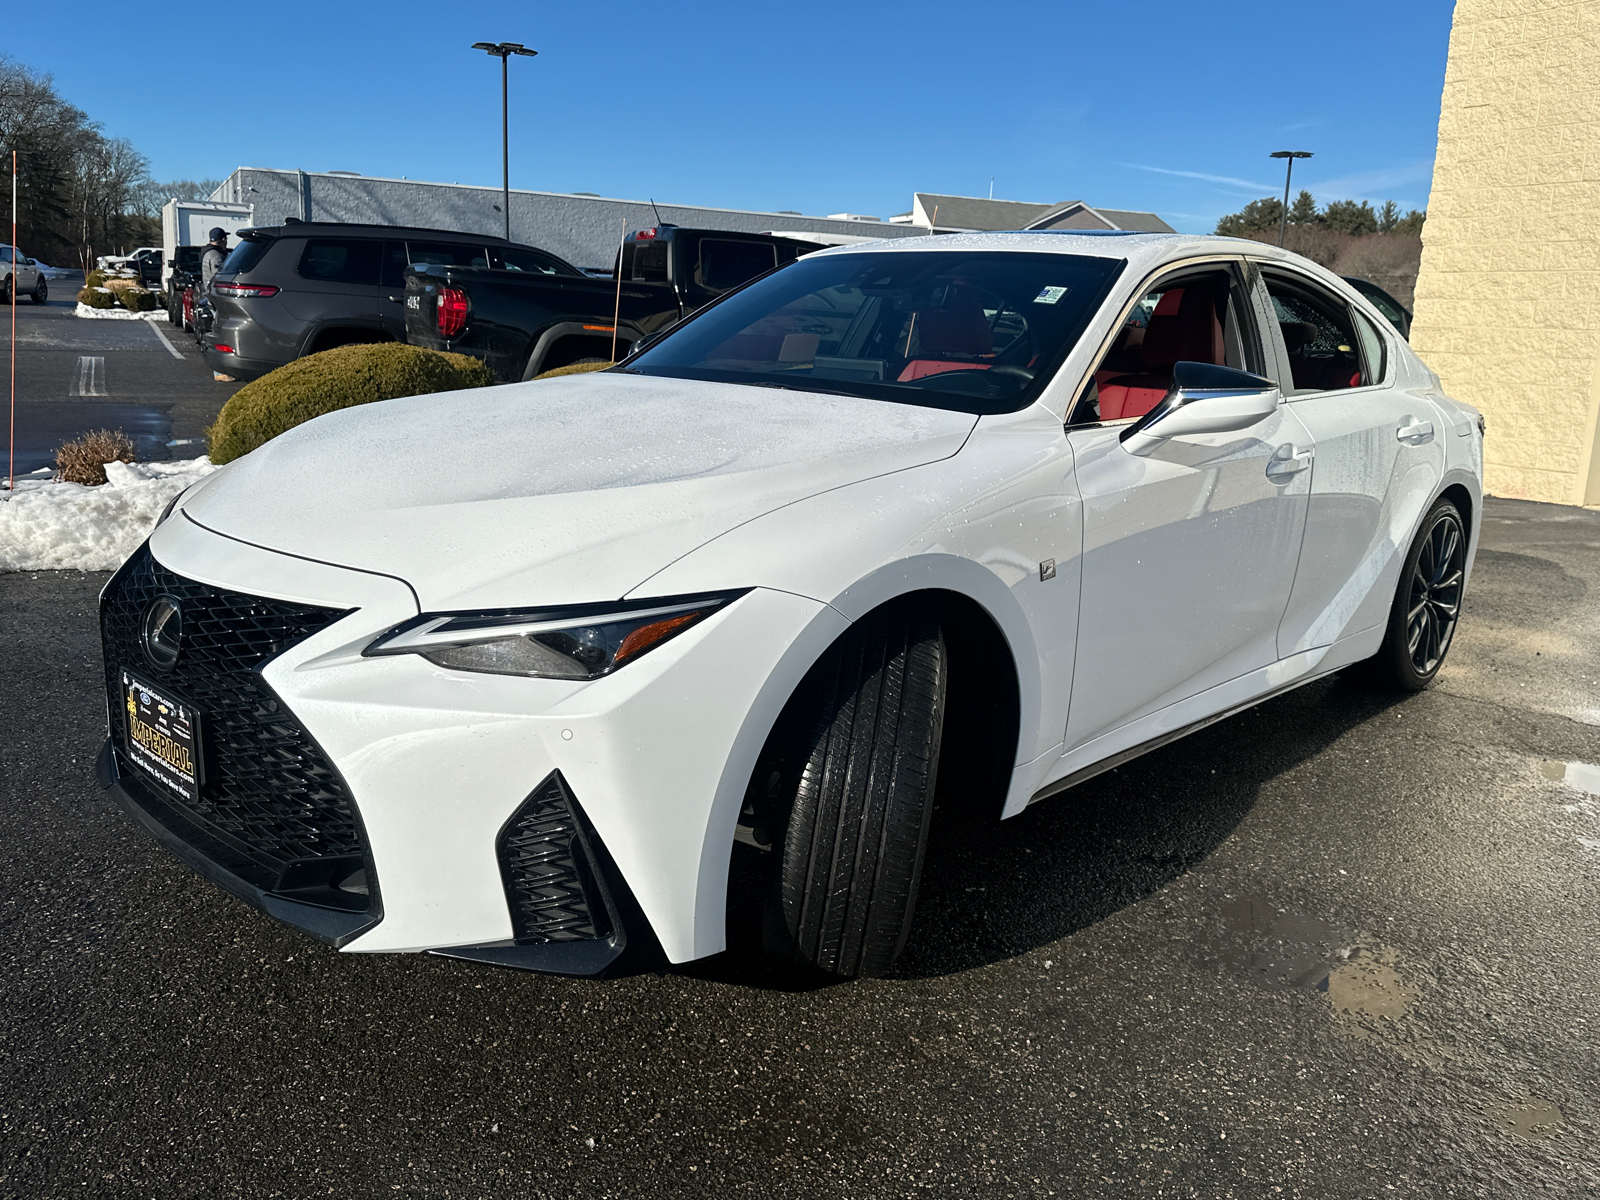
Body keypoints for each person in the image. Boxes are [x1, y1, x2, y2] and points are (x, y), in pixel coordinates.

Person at [200, 227, 229, 295]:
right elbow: (218, 276)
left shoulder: (208, 253)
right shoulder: (216, 255)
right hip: (216, 293)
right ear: (223, 240)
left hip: (209, 292)